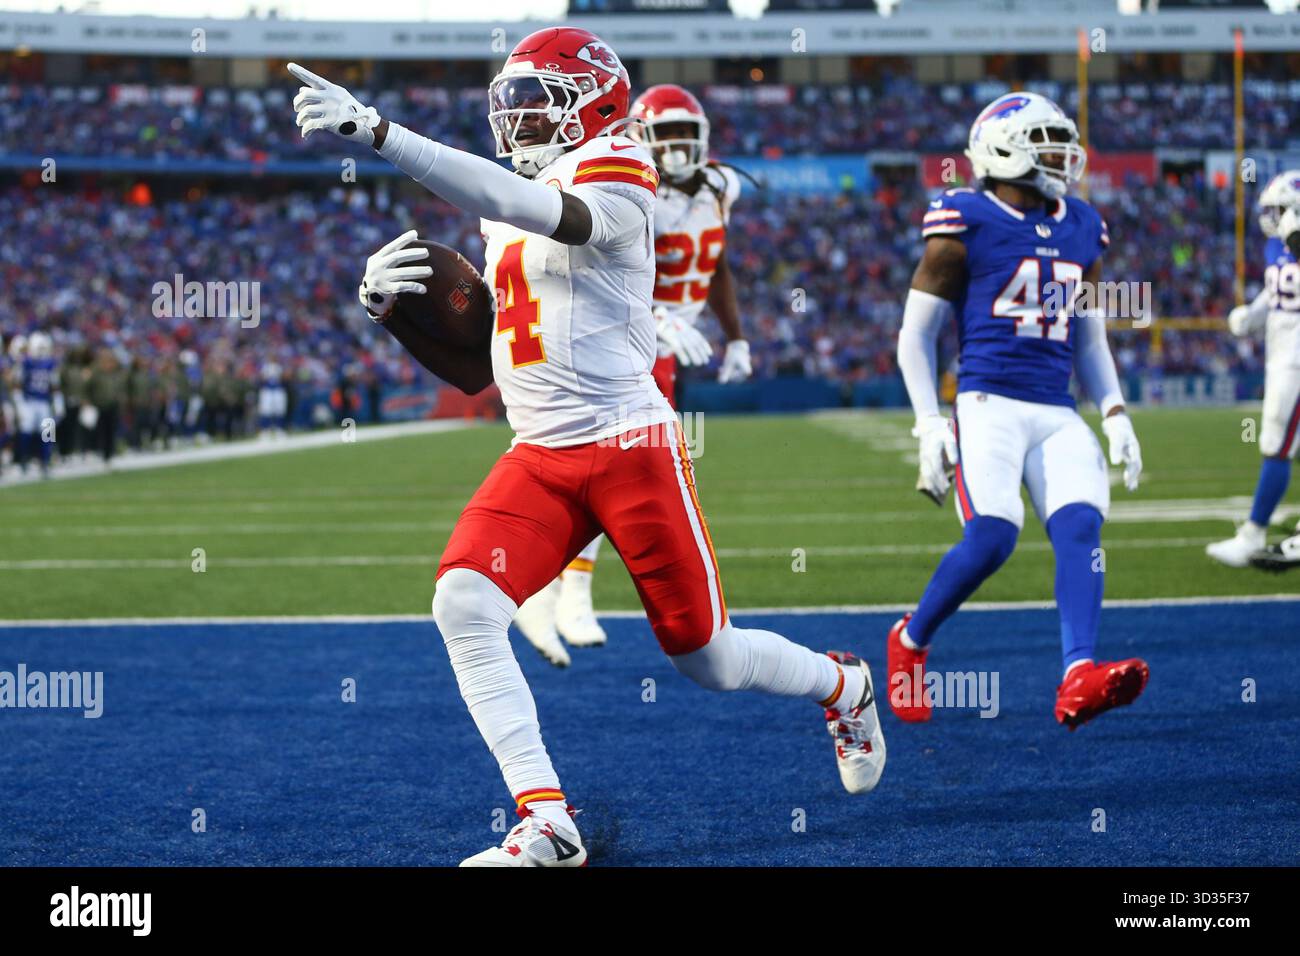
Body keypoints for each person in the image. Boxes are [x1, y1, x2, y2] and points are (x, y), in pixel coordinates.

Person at [290, 26, 886, 867]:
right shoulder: (508, 208)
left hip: (627, 444)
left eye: (537, 105)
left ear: (593, 105)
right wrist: (390, 315)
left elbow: (530, 205)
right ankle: (547, 819)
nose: (519, 122)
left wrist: (381, 133)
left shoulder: (619, 167)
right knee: (463, 605)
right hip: (540, 452)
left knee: (708, 660)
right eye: (512, 107)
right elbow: (477, 370)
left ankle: (844, 683)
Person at [890, 92, 1148, 731]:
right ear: (1002, 147)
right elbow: (916, 335)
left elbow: (1088, 334)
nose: (1062, 154)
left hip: (1055, 405)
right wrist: (927, 421)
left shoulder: (1083, 223)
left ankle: (1077, 676)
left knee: (1081, 530)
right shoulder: (966, 216)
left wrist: (1114, 409)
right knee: (994, 535)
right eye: (1044, 140)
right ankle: (910, 641)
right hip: (986, 400)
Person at [512, 82, 755, 665]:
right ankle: (567, 590)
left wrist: (737, 336)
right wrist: (657, 318)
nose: (673, 148)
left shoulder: (723, 186)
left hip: (671, 343)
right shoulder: (629, 184)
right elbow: (606, 270)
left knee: (619, 463)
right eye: (663, 135)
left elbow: (716, 263)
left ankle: (555, 587)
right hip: (632, 337)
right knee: (612, 459)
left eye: (683, 136)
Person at [1206, 171, 1300, 569]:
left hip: (1295, 361)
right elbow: (1277, 291)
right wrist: (1253, 314)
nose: (1269, 218)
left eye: (1278, 210)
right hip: (1281, 356)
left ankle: (1253, 534)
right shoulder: (1275, 248)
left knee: (1276, 443)